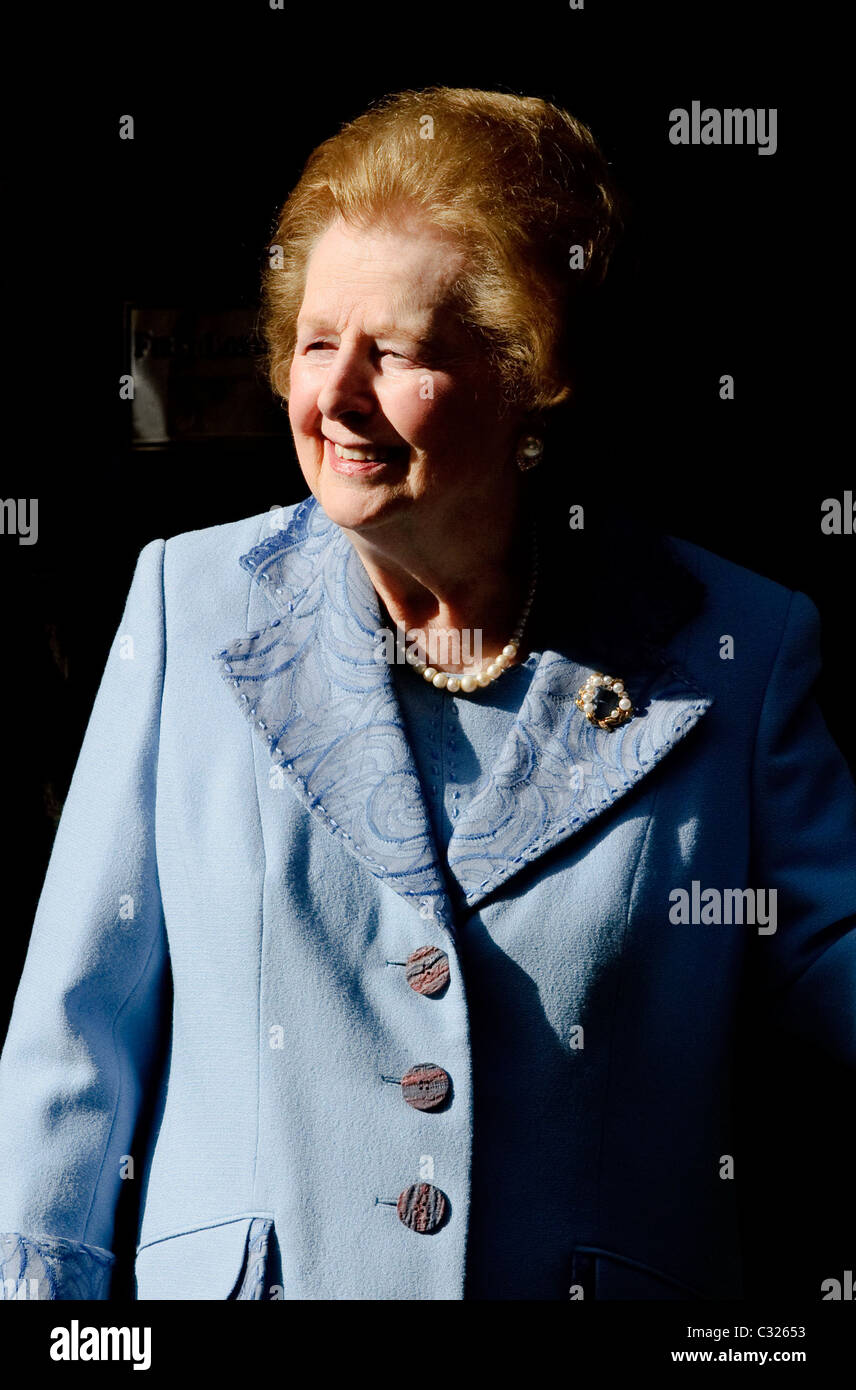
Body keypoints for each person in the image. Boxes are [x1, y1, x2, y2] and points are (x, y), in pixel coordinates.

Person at [1, 87, 854, 1302]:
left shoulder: (732, 646)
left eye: (393, 354)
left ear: (526, 379)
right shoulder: (191, 605)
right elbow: (72, 1036)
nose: (335, 397)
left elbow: (829, 957)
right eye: (313, 341)